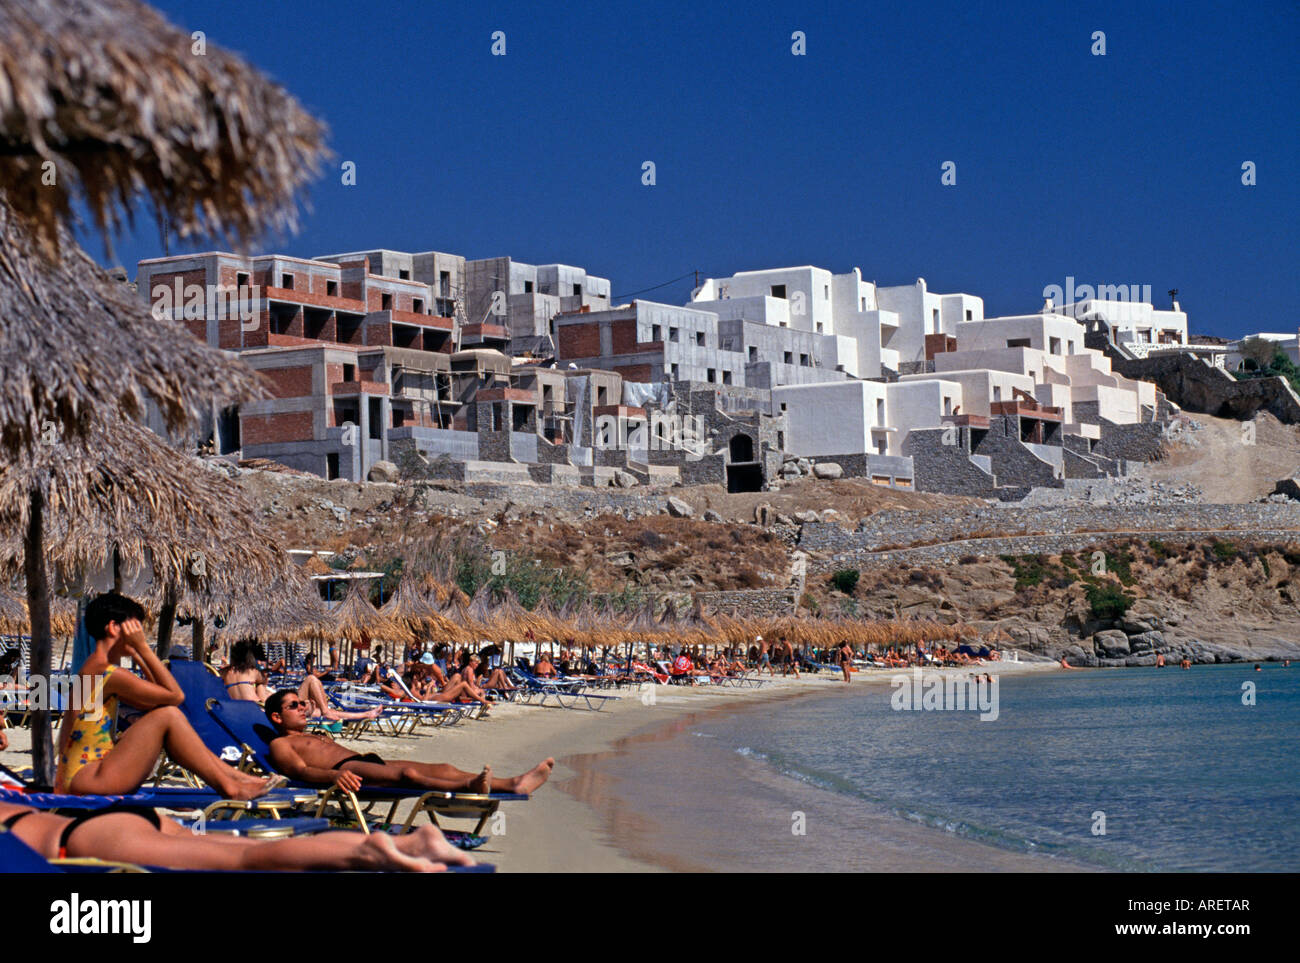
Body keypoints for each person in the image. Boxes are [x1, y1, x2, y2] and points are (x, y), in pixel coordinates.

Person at [56, 592, 275, 800]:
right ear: (114, 627)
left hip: (80, 776)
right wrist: (142, 649)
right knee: (169, 715)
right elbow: (176, 696)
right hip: (92, 779)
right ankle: (230, 783)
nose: (140, 632)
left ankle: (235, 778)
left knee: (165, 713)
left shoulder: (91, 668)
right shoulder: (109, 673)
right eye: (135, 626)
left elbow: (156, 698)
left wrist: (138, 655)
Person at [0, 798, 472, 871]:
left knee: (246, 859)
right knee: (243, 847)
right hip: (119, 817)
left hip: (86, 842)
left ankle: (371, 852)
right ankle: (415, 841)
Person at [263, 690, 552, 794]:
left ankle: (513, 783)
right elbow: (300, 772)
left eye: (302, 703)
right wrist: (335, 775)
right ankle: (469, 787)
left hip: (363, 760)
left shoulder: (309, 733)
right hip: (346, 770)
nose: (303, 707)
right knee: (408, 775)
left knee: (443, 766)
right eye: (294, 705)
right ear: (277, 717)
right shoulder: (281, 745)